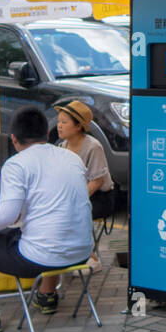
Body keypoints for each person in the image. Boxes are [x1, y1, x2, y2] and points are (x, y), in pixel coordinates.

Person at [0, 106, 93, 332]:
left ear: (14, 139)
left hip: (39, 259)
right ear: (47, 133)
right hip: (82, 253)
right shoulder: (72, 158)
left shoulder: (17, 164)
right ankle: (46, 297)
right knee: (45, 229)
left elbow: (7, 216)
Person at [53, 99, 116, 269]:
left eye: (64, 122)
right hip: (77, 195)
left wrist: (74, 200)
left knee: (71, 213)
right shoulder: (62, 146)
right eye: (59, 122)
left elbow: (97, 181)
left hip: (100, 197)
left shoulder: (93, 147)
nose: (59, 126)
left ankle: (92, 259)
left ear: (79, 125)